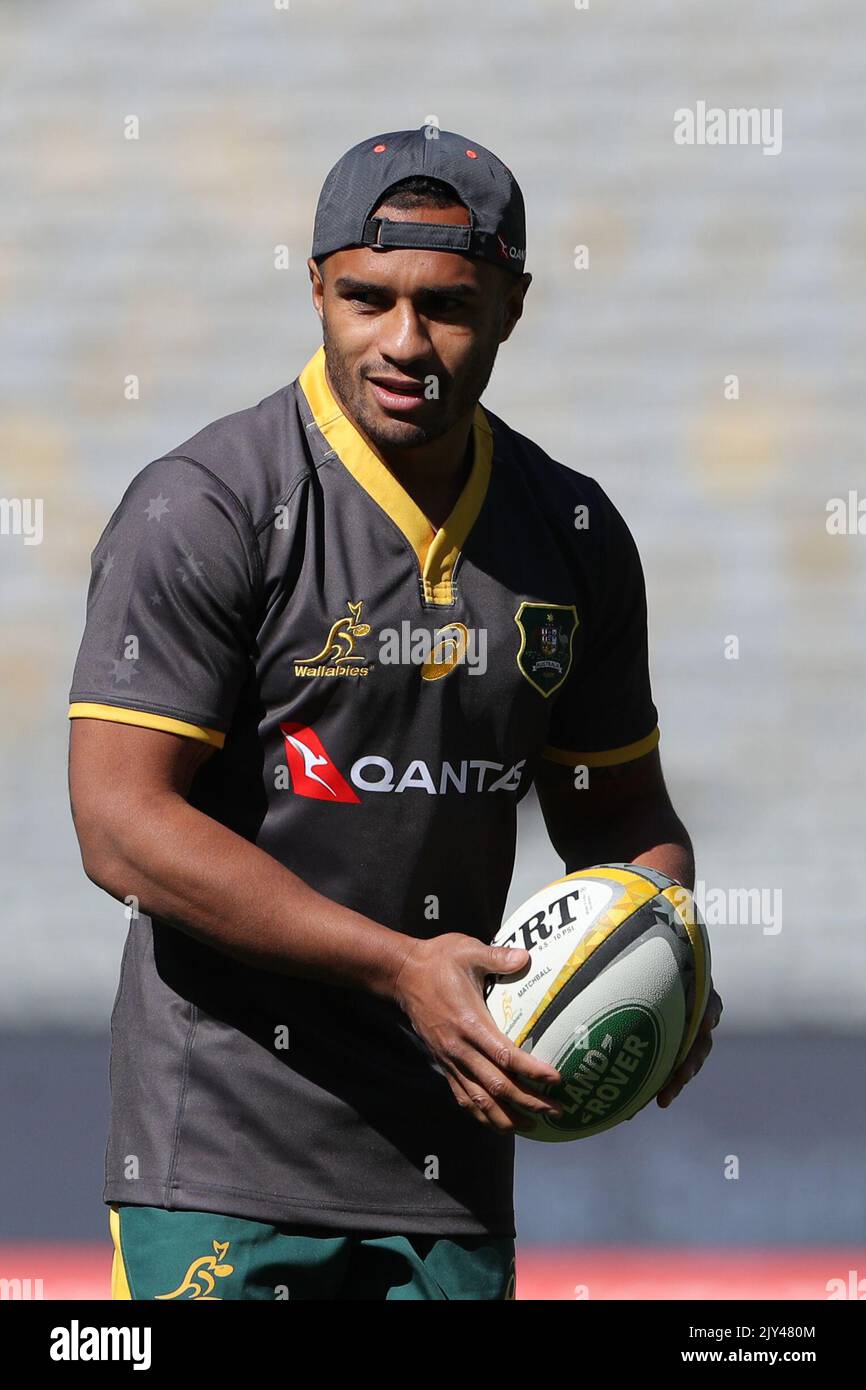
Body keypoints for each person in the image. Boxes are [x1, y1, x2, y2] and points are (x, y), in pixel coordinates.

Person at [67, 125, 722, 1302]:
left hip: (451, 1169)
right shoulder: (205, 506)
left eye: (448, 306)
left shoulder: (568, 531)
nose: (404, 343)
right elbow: (120, 826)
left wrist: (665, 940)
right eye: (366, 298)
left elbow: (616, 808)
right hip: (213, 1159)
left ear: (513, 305)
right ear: (314, 286)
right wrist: (395, 967)